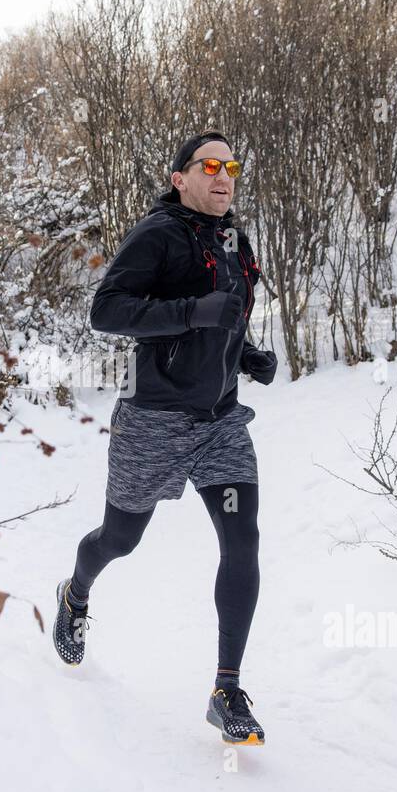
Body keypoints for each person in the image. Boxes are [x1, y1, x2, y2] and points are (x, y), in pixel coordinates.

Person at [52, 130, 278, 746]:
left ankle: (225, 689)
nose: (224, 174)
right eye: (210, 165)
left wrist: (248, 354)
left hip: (220, 422)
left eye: (231, 164)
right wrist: (192, 313)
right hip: (154, 421)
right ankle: (75, 594)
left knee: (243, 539)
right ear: (181, 178)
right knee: (120, 539)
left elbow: (225, 318)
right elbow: (107, 311)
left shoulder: (234, 239)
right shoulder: (157, 233)